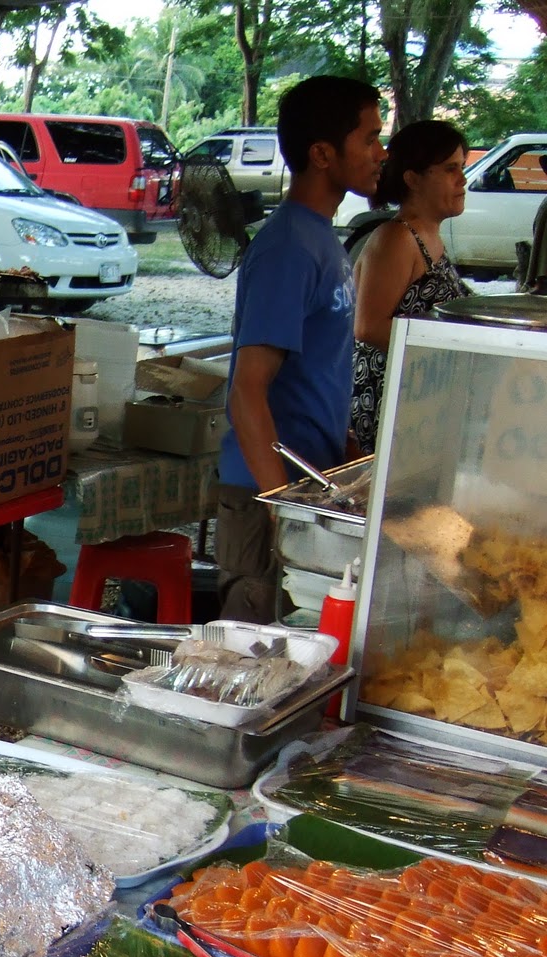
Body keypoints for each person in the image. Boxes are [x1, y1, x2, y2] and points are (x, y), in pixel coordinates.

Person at [215, 76, 387, 623]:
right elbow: (247, 390)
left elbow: (317, 360)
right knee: (261, 654)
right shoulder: (288, 246)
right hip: (269, 494)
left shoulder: (321, 237)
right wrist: (281, 506)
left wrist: (339, 438)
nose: (381, 152)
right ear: (322, 154)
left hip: (312, 481)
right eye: (370, 138)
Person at [349, 120, 471, 453]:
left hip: (420, 407)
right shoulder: (397, 238)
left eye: (462, 167)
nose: (463, 180)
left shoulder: (428, 236)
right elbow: (368, 326)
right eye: (450, 169)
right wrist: (451, 345)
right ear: (412, 178)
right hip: (392, 407)